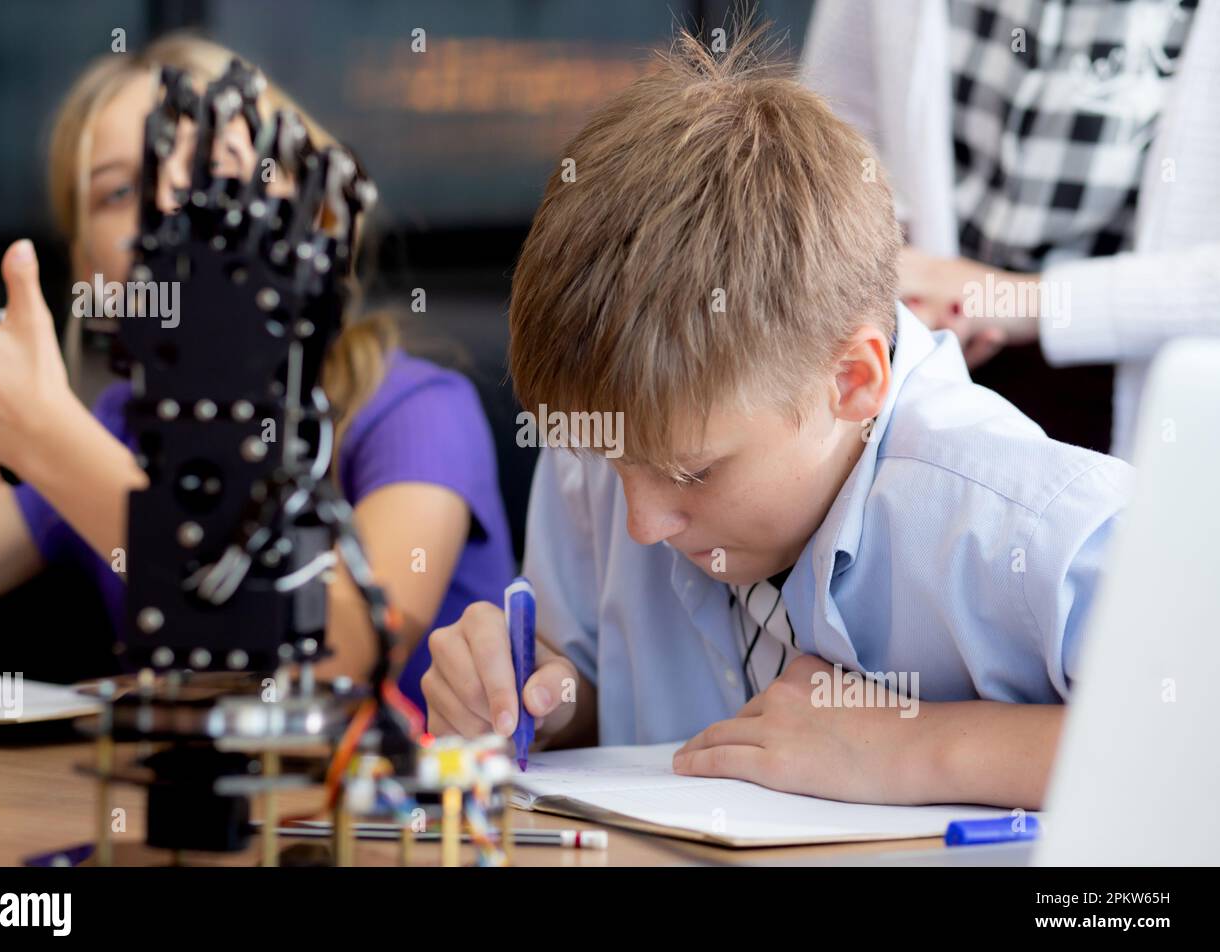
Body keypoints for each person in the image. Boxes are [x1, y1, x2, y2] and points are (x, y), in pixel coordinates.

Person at [420, 27, 1133, 810]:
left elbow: (1187, 729)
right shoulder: (612, 434)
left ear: (853, 382)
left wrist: (922, 748)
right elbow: (586, 686)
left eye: (694, 471)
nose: (643, 523)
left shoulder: (1023, 521)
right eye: (608, 463)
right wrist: (531, 701)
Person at [0, 36, 512, 709]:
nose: (173, 202)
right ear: (90, 275)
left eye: (217, 162)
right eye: (119, 189)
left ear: (314, 208)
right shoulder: (114, 431)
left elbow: (346, 656)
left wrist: (40, 435)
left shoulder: (414, 408)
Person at [804, 0, 1220, 460]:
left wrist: (1005, 298)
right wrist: (884, 266)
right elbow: (836, 115)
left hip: (1118, 383)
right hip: (915, 324)